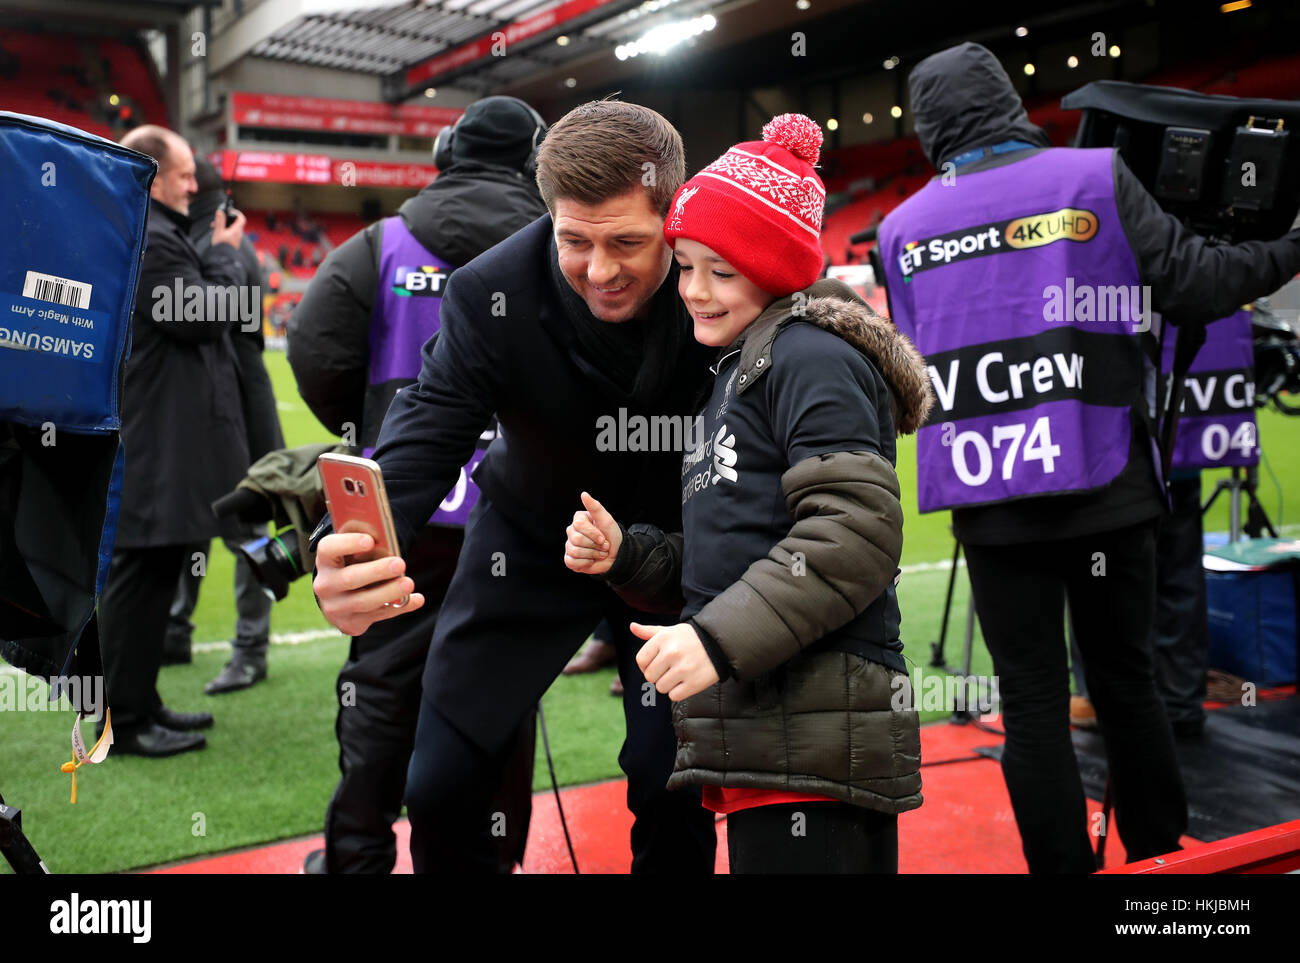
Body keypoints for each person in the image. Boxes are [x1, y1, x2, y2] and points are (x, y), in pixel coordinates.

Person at [876, 42, 1300, 873]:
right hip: (1107, 490)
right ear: (1006, 102)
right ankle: (1158, 863)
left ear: (929, 126)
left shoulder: (899, 227)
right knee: (1127, 687)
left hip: (992, 506)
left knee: (1032, 707)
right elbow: (1199, 288)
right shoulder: (1091, 176)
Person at [309, 100, 718, 873]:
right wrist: (352, 541)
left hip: (677, 552)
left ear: (677, 213)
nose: (600, 270)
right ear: (547, 215)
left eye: (628, 241)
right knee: (440, 781)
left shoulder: (724, 276)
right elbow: (428, 425)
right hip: (530, 542)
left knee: (672, 782)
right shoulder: (485, 292)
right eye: (575, 241)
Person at [563, 114, 930, 873]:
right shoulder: (741, 367)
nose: (693, 290)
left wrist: (713, 639)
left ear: (776, 268)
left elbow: (852, 534)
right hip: (775, 737)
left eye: (720, 271)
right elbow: (736, 553)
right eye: (686, 264)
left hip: (819, 740)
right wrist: (629, 554)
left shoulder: (810, 356)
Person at [288, 96, 551, 874]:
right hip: (517, 515)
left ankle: (358, 853)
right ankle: (481, 860)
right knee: (501, 693)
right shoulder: (555, 244)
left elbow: (314, 351)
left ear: (446, 151)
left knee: (378, 684)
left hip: (399, 507)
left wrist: (376, 429)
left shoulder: (381, 243)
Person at [98, 125, 250, 757]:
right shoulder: (153, 237)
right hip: (156, 442)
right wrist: (223, 254)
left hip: (163, 436)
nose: (196, 185)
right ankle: (124, 722)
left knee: (155, 576)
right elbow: (210, 315)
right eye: (187, 174)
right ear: (156, 175)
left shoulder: (149, 231)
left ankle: (141, 701)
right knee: (141, 580)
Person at [160, 156, 285, 697]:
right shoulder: (200, 237)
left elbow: (206, 317)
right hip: (212, 403)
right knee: (192, 521)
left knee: (247, 529)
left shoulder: (223, 245)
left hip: (236, 404)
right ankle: (175, 632)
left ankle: (251, 651)